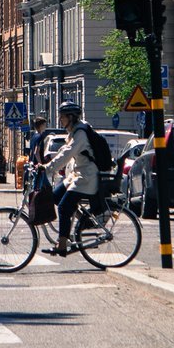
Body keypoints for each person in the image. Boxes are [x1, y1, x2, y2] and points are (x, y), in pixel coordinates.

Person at [41, 101, 102, 256]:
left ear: (71, 117)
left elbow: (67, 154)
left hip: (86, 177)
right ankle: (85, 221)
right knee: (55, 196)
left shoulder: (80, 133)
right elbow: (62, 150)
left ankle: (62, 245)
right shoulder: (75, 131)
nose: (60, 120)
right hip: (77, 176)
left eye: (62, 117)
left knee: (63, 207)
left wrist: (48, 168)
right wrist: (44, 164)